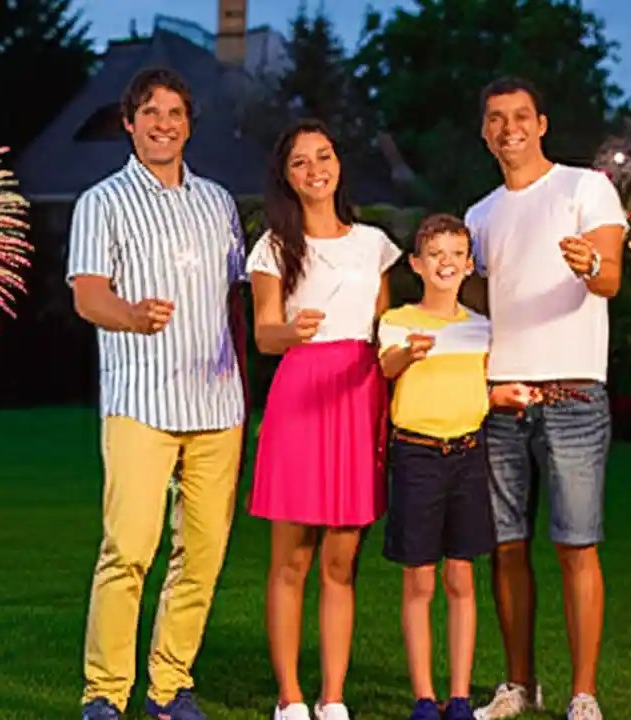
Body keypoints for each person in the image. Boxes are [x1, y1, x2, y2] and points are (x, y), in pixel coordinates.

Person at [67, 67, 248, 720]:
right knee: (129, 552)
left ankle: (170, 687)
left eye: (175, 112)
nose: (163, 123)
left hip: (217, 407)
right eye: (150, 112)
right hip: (140, 401)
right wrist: (133, 317)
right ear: (129, 121)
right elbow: (88, 296)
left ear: (189, 123)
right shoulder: (102, 201)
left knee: (201, 557)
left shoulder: (219, 202)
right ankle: (105, 694)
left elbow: (237, 297)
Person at [460, 76, 629, 720]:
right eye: (496, 118)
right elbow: (475, 305)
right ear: (485, 131)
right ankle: (519, 685)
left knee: (575, 545)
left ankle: (582, 694)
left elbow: (609, 277)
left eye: (521, 116)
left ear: (542, 123)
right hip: (504, 399)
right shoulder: (480, 215)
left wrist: (587, 263)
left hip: (574, 396)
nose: (509, 128)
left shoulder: (586, 188)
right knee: (506, 546)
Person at [247, 118, 401, 720]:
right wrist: (292, 330)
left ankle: (332, 698)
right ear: (286, 177)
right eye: (301, 162)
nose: (316, 170)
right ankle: (289, 699)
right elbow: (263, 334)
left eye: (325, 156)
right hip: (301, 394)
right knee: (292, 559)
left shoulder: (374, 243)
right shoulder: (274, 247)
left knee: (342, 560)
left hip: (359, 395)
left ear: (338, 163)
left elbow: (384, 328)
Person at [378, 213, 539, 720]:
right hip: (417, 456)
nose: (446, 263)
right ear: (417, 264)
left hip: (467, 456)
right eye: (436, 254)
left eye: (456, 254)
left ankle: (461, 697)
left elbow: (472, 390)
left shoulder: (480, 329)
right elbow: (385, 368)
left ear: (470, 265)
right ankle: (426, 697)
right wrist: (407, 353)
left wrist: (502, 395)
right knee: (420, 582)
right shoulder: (399, 321)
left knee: (461, 581)